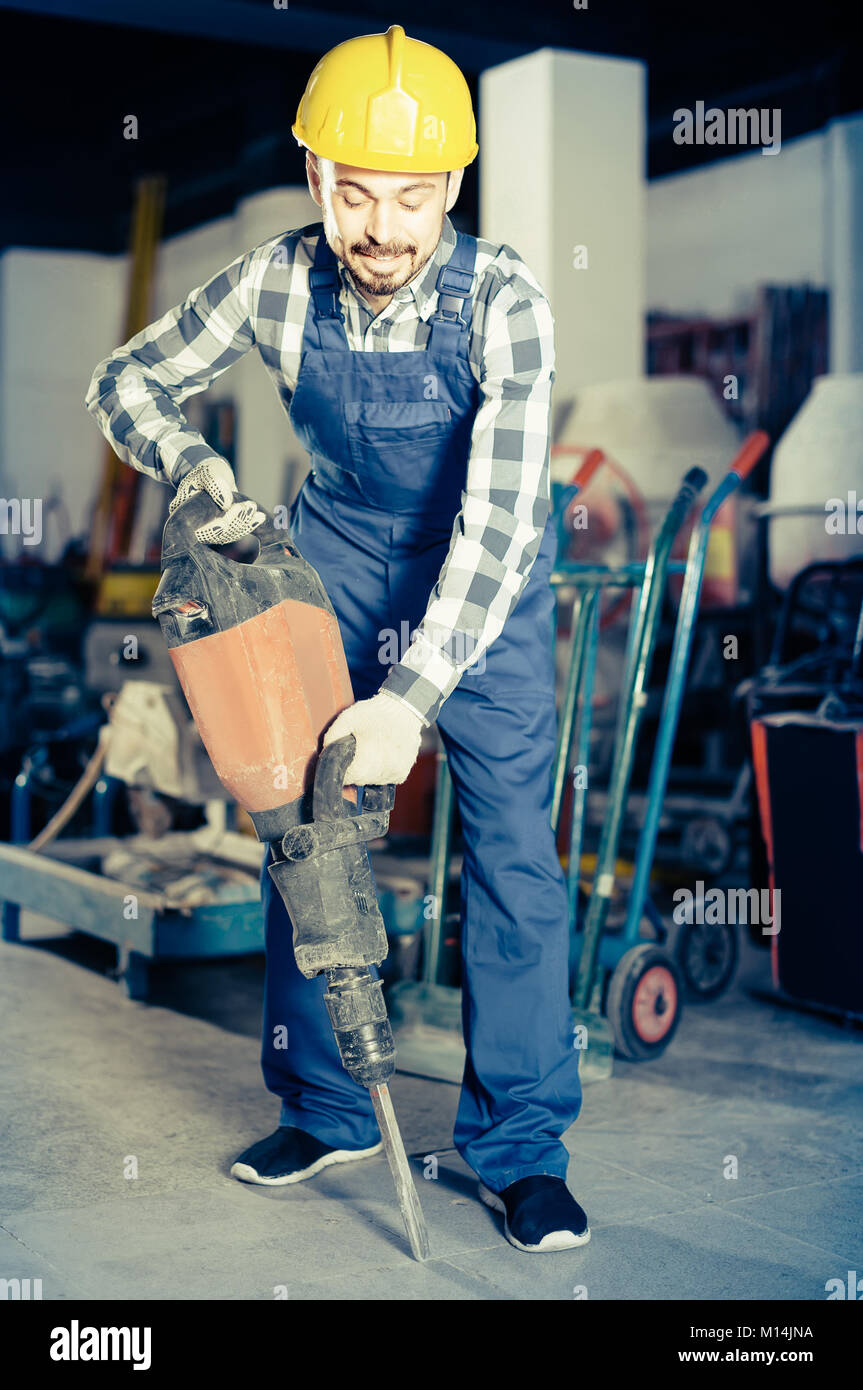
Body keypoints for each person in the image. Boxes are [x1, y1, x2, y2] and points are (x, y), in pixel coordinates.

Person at [86, 24, 588, 1254]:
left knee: (513, 857)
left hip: (486, 581)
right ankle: (323, 1106)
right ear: (316, 179)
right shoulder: (275, 279)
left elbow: (499, 518)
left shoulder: (506, 302)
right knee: (298, 825)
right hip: (336, 559)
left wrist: (411, 695)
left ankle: (518, 1147)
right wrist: (196, 463)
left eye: (412, 198)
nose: (381, 227)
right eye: (354, 193)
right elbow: (125, 382)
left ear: (452, 190)